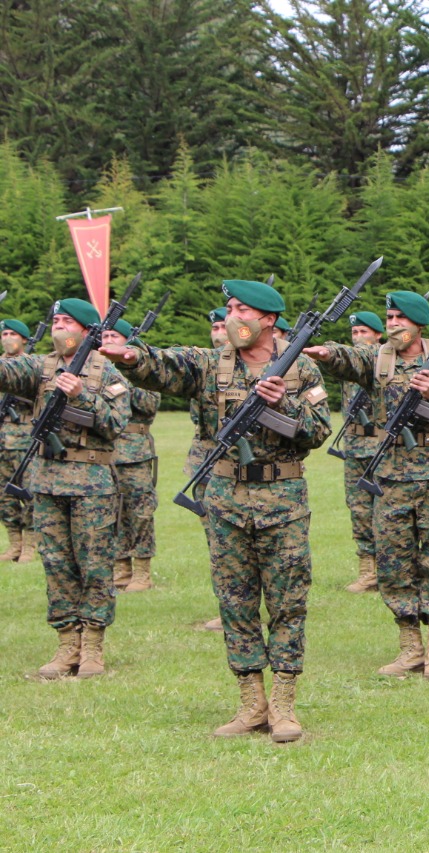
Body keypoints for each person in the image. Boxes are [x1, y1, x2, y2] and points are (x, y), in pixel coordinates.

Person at [102, 280, 331, 742]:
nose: (232, 318)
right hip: (225, 498)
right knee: (235, 600)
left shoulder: (301, 369)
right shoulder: (209, 364)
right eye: (229, 308)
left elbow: (319, 429)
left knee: (288, 601)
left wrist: (281, 401)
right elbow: (164, 367)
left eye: (242, 310)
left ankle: (284, 704)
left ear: (267, 320)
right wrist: (131, 358)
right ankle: (251, 702)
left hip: (282, 499)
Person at [304, 292, 429, 681]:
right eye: (389, 317)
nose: (393, 324)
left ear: (418, 324)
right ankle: (409, 646)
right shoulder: (378, 359)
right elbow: (348, 357)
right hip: (390, 475)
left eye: (400, 318)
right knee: (394, 561)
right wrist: (325, 352)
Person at [0, 298, 130, 679]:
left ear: (86, 330)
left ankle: (92, 645)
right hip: (47, 481)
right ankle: (66, 643)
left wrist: (80, 395)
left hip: (91, 483)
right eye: (55, 320)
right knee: (56, 564)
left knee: (93, 564)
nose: (57, 326)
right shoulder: (39, 367)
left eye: (66, 321)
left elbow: (115, 422)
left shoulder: (107, 372)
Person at [100, 319, 160, 593]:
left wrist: (124, 375)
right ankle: (120, 566)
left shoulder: (140, 370)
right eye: (105, 335)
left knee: (140, 511)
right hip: (105, 450)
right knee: (113, 510)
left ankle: (142, 571)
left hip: (134, 450)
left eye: (114, 335)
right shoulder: (98, 369)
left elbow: (148, 404)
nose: (108, 339)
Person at [340, 311, 384, 593]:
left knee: (385, 510)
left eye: (364, 333)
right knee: (358, 509)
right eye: (355, 333)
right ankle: (367, 569)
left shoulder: (386, 362)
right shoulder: (348, 365)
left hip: (380, 446)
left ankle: (387, 568)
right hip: (354, 447)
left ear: (378, 335)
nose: (359, 338)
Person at [191, 307, 228, 632]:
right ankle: (227, 606)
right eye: (215, 325)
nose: (218, 330)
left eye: (222, 325)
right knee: (214, 539)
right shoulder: (205, 366)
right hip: (205, 457)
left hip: (233, 462)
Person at [0, 318, 39, 563]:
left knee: (30, 493)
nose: (8, 338)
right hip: (3, 443)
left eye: (13, 334)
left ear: (24, 339)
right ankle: (14, 543)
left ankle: (31, 545)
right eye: (4, 333)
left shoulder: (32, 366)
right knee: (4, 495)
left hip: (26, 442)